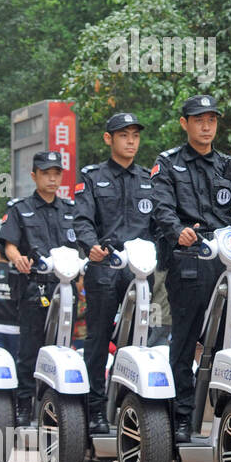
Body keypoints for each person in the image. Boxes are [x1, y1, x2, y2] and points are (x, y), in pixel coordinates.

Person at [149, 94, 231, 443]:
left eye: (211, 120)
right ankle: (181, 418)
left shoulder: (230, 166)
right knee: (185, 341)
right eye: (198, 120)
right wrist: (178, 231)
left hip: (227, 263)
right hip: (188, 260)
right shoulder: (168, 164)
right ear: (185, 124)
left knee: (229, 343)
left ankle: (228, 421)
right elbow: (161, 208)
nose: (206, 126)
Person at [72, 112, 152, 435]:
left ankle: (132, 409)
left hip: (140, 273)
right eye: (123, 135)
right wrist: (90, 246)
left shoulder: (149, 179)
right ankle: (93, 411)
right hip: (104, 268)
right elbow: (81, 220)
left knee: (138, 342)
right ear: (109, 139)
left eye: (135, 135)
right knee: (99, 339)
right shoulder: (91, 177)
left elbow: (160, 221)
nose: (130, 141)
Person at [0, 150, 79, 426]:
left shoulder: (71, 209)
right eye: (46, 173)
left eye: (57, 174)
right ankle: (23, 405)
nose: (52, 178)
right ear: (35, 176)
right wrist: (16, 256)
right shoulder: (20, 208)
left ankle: (59, 405)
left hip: (65, 289)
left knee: (64, 348)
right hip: (34, 289)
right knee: (31, 350)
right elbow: (8, 243)